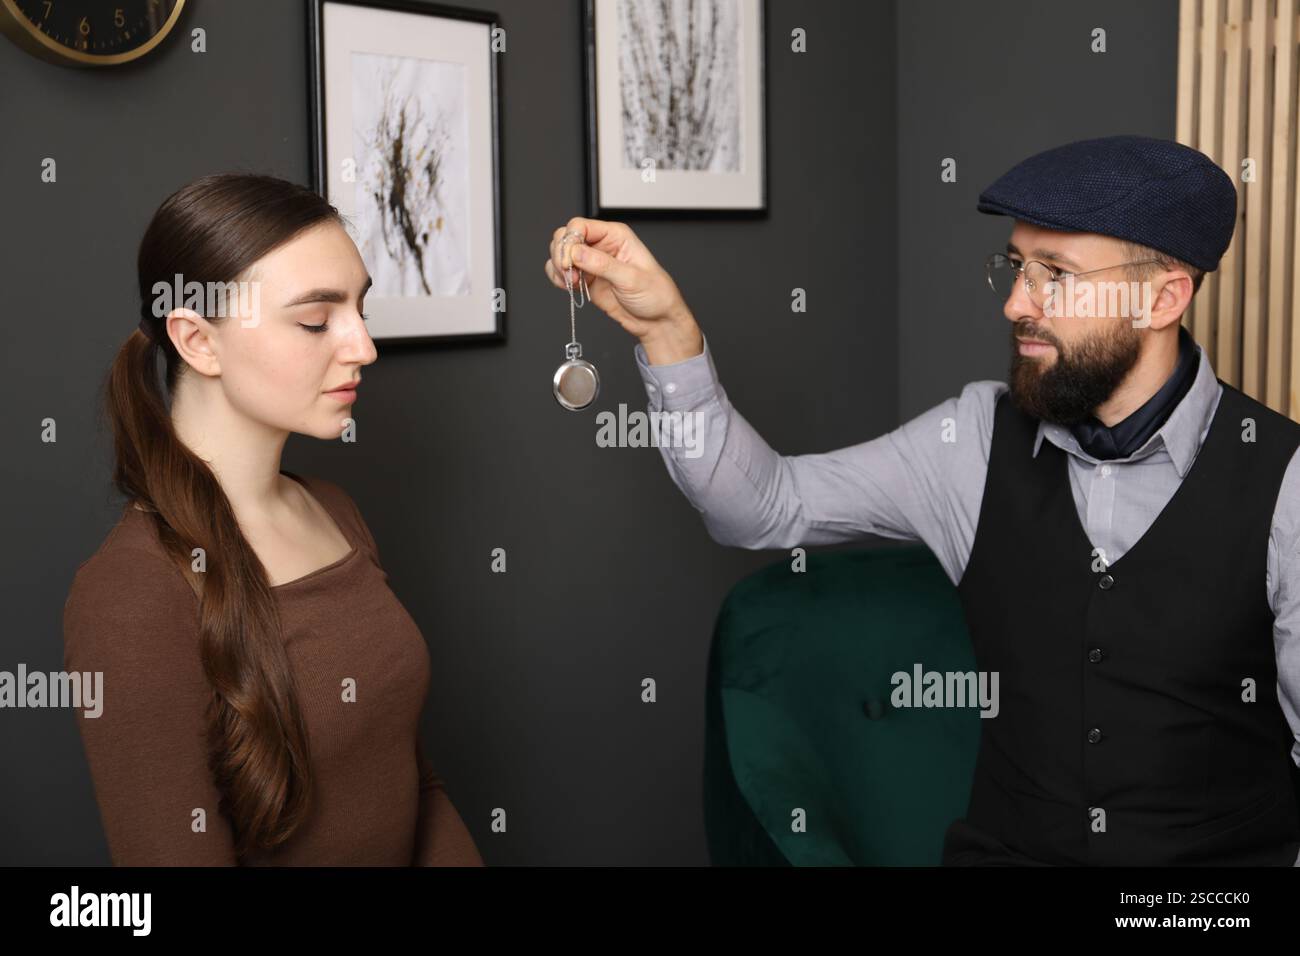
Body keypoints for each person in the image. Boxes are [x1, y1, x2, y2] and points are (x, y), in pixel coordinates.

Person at [544, 135, 1300, 866]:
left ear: (1163, 297)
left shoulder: (1286, 480)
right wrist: (669, 334)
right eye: (1014, 268)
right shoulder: (972, 439)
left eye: (1054, 274)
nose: (1015, 303)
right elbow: (761, 506)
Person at [63, 173, 482, 866]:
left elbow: (414, 783)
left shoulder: (335, 512)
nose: (364, 347)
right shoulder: (128, 597)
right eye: (317, 320)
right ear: (198, 341)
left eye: (360, 309)